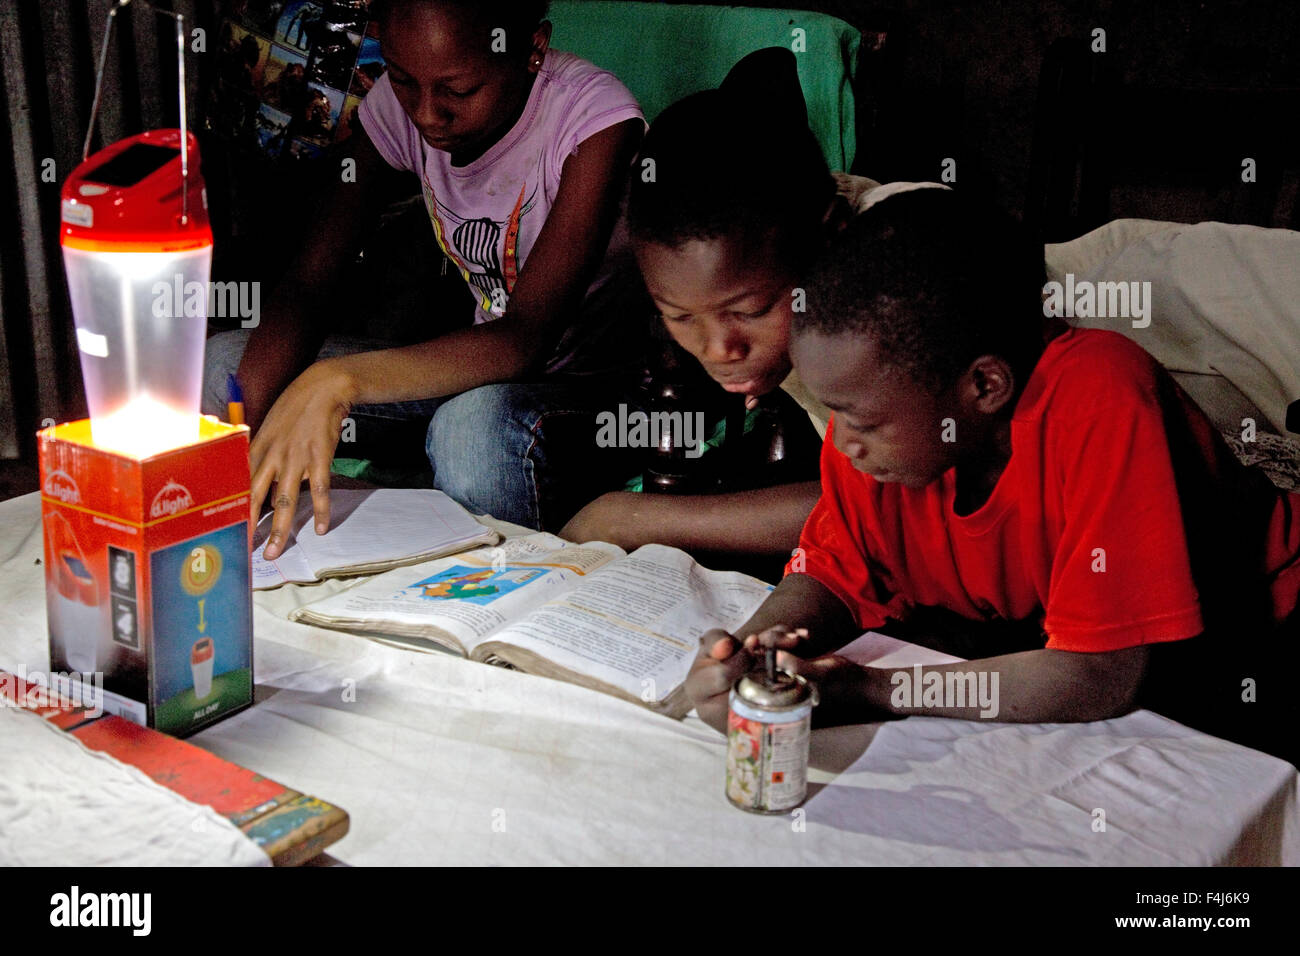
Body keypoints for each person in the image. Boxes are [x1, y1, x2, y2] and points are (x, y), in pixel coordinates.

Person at [685, 188, 1300, 766]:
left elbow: (1097, 675)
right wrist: (753, 652)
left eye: (859, 419)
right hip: (1038, 636)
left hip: (1251, 637)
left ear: (984, 385)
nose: (841, 442)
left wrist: (870, 689)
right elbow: (833, 573)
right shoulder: (881, 424)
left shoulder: (1100, 395)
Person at [203, 0, 647, 557]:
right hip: (476, 375)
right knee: (226, 369)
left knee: (471, 431)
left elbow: (525, 338)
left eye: (458, 91)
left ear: (531, 50)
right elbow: (311, 282)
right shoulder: (399, 106)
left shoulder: (593, 119)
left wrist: (334, 382)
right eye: (403, 79)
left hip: (596, 397)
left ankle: (484, 590)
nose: (427, 114)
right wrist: (258, 435)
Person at [560, 48, 868, 559]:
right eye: (680, 316)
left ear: (830, 234)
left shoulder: (897, 283)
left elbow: (893, 504)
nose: (720, 349)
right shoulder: (784, 274)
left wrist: (631, 519)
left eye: (749, 312)